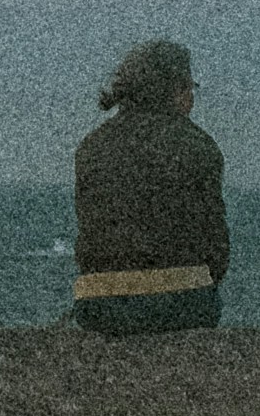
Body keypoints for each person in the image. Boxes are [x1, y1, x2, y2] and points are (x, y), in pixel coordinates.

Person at [71, 39, 228, 336]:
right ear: (176, 90)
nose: (192, 98)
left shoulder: (91, 147)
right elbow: (216, 248)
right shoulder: (200, 146)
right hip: (180, 303)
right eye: (190, 88)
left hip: (100, 305)